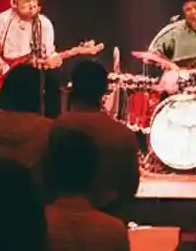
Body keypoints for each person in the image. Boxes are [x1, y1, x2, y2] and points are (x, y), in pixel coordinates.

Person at [53, 61, 140, 215]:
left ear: (72, 89)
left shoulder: (57, 128)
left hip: (61, 215)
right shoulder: (122, 134)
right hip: (109, 213)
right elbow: (130, 187)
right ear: (104, 91)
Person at [0, 0, 61, 92]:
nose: (31, 5)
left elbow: (48, 53)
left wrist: (53, 59)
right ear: (15, 5)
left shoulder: (43, 23)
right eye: (26, 1)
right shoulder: (4, 19)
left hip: (30, 76)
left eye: (33, 1)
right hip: (4, 73)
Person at [147, 0, 196, 70]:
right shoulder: (174, 30)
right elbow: (153, 51)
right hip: (175, 73)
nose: (193, 12)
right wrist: (168, 64)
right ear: (185, 14)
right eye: (188, 9)